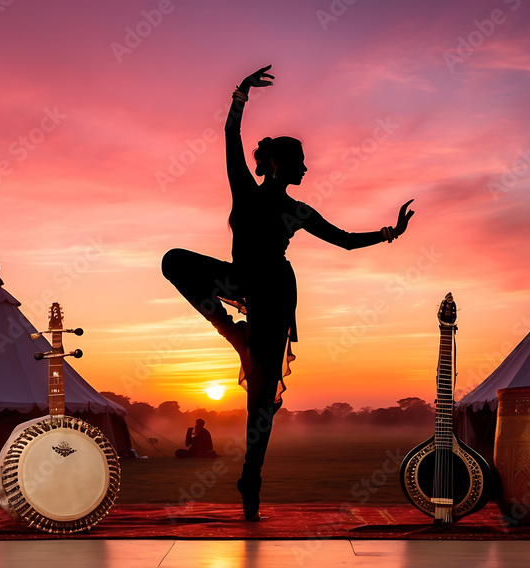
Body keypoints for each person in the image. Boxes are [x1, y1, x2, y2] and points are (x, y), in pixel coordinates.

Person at [161, 64, 414, 521]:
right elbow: (230, 139)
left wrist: (389, 232)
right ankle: (231, 333)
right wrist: (241, 94)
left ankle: (250, 476)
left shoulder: (298, 209)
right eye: (300, 160)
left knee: (260, 395)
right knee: (174, 260)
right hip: (241, 280)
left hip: (275, 292)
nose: (306, 167)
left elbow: (346, 240)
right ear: (278, 162)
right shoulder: (245, 188)